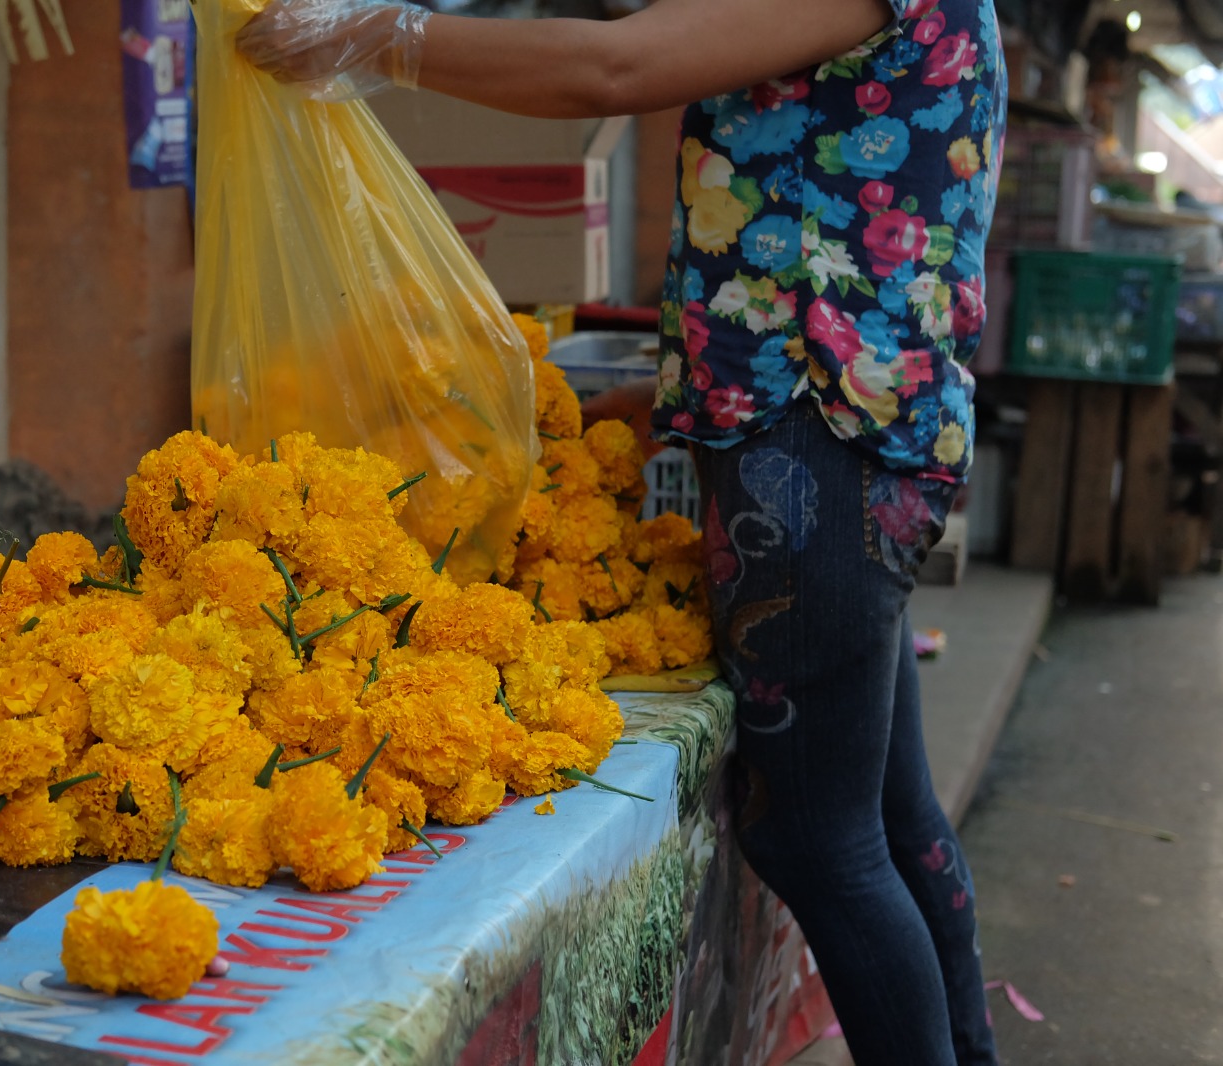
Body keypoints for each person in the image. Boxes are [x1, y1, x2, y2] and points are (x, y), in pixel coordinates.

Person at [238, 3, 1005, 1063]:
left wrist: (382, 35)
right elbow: (819, 203)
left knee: (817, 843)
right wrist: (673, 387)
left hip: (820, 455)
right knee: (888, 812)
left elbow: (612, 66)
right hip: (847, 440)